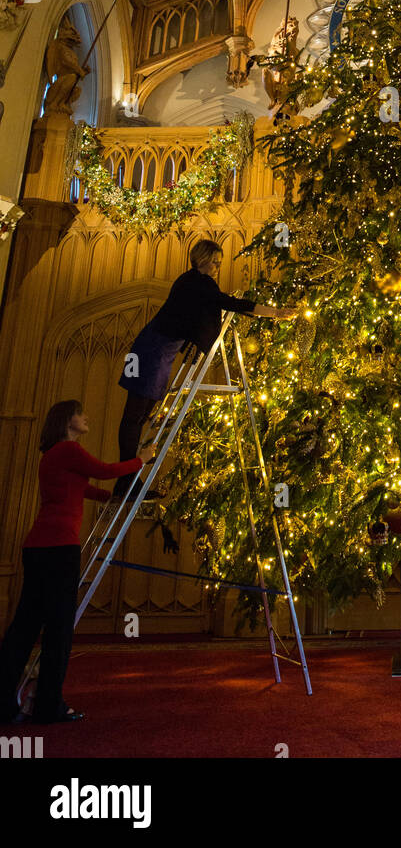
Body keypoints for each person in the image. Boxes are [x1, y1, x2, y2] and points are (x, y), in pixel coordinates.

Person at [0, 400, 154, 724]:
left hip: (39, 548)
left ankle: (4, 701)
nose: (86, 418)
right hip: (59, 549)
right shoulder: (69, 450)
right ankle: (48, 706)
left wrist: (112, 498)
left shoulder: (53, 455)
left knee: (25, 627)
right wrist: (143, 460)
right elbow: (105, 470)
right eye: (81, 414)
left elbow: (82, 488)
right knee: (58, 631)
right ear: (68, 420)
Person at [114, 239, 292, 497]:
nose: (218, 266)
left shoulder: (188, 281)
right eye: (215, 261)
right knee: (134, 415)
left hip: (158, 348)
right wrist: (274, 312)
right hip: (154, 350)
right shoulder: (198, 283)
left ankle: (128, 476)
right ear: (202, 259)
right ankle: (125, 479)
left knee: (140, 415)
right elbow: (231, 304)